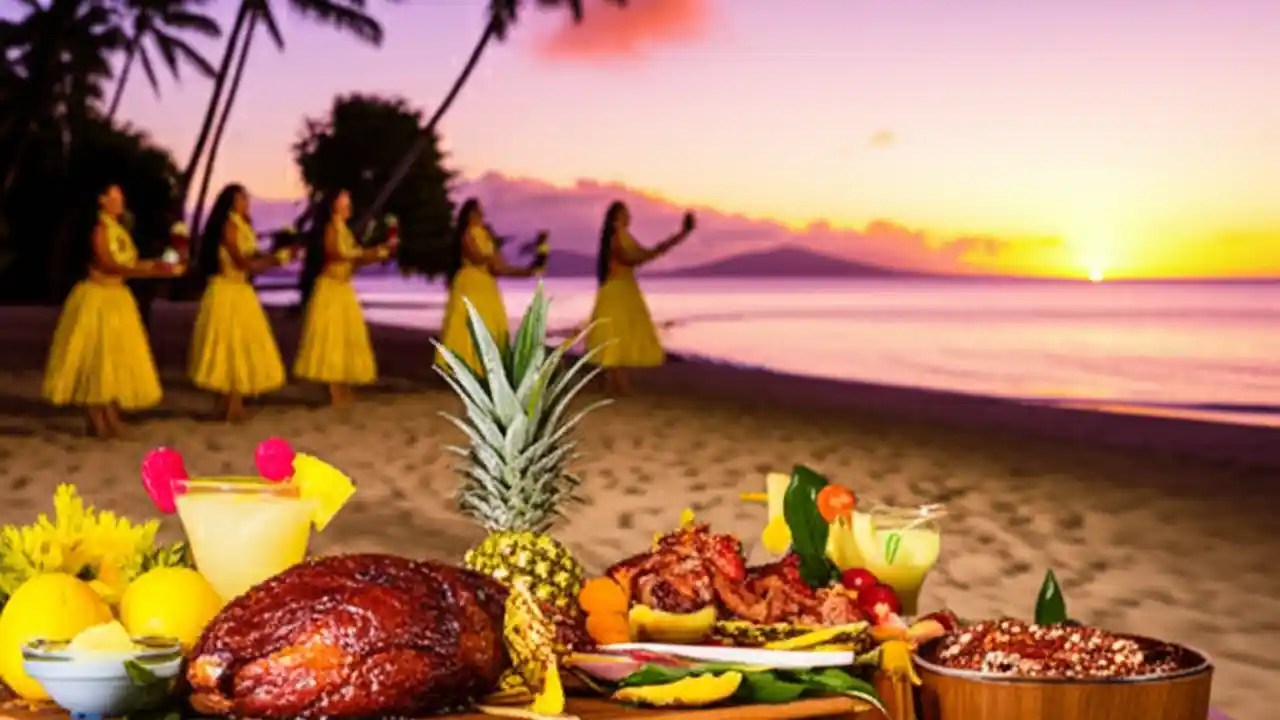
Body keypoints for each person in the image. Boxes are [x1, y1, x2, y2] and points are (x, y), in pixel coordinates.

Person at [43, 183, 183, 438]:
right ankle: (97, 419)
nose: (121, 201)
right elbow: (109, 264)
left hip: (118, 297)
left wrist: (156, 265)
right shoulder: (99, 229)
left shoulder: (118, 230)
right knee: (98, 357)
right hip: (97, 298)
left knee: (114, 357)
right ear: (101, 200)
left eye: (121, 196)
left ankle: (110, 415)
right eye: (115, 197)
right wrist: (147, 270)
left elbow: (126, 262)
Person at [188, 184, 289, 422]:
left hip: (241, 291)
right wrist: (275, 260)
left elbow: (252, 255)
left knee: (241, 345)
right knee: (229, 346)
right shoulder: (230, 225)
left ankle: (230, 404)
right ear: (231, 203)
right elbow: (242, 261)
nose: (247, 202)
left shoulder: (243, 225)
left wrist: (277, 255)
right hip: (227, 291)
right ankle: (231, 405)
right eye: (242, 199)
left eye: (247, 198)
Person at [293, 189, 395, 407]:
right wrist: (362, 253)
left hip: (343, 289)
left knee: (346, 339)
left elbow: (354, 259)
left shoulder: (344, 230)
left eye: (349, 201)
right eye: (344, 202)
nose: (349, 205)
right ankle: (333, 392)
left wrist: (379, 252)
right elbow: (335, 253)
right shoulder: (331, 228)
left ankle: (343, 389)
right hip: (329, 289)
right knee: (332, 340)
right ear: (334, 205)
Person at [587, 201, 695, 395]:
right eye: (625, 213)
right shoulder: (616, 239)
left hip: (622, 291)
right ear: (615, 219)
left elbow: (645, 254)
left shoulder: (624, 237)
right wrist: (675, 238)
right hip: (616, 294)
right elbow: (636, 257)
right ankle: (617, 386)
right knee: (614, 337)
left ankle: (611, 385)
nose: (629, 217)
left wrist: (680, 235)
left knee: (615, 337)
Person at [434, 198, 543, 374]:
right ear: (469, 214)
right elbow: (477, 257)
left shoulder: (486, 237)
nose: (482, 215)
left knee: (490, 324)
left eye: (482, 212)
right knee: (467, 323)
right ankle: (462, 366)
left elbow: (501, 267)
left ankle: (486, 368)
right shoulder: (467, 234)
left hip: (487, 286)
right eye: (478, 212)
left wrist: (528, 271)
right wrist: (492, 258)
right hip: (469, 283)